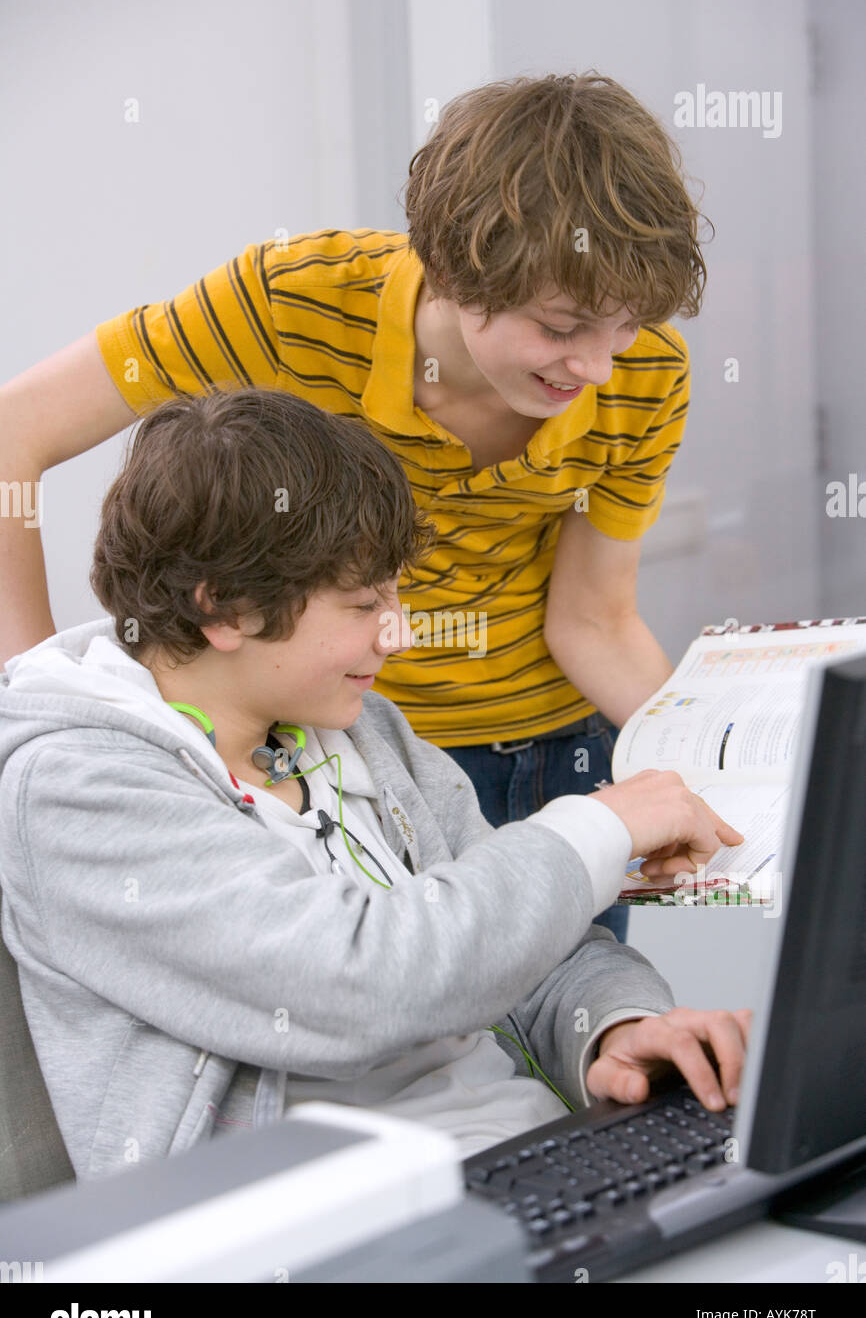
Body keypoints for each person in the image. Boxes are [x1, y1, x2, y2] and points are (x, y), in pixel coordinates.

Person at [0, 73, 708, 946]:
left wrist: (703, 774)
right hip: (359, 764)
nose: (599, 367)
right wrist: (39, 696)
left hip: (563, 761)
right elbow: (12, 433)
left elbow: (595, 622)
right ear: (453, 269)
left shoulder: (646, 373)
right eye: (561, 328)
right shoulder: (292, 301)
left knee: (583, 1037)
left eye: (627, 324)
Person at [0, 388, 747, 1180]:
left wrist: (615, 1028)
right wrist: (598, 826)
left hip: (521, 1163)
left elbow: (538, 947)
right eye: (363, 603)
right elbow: (359, 983)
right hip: (329, 1229)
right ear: (223, 610)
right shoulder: (80, 790)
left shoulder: (359, 728)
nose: (399, 631)